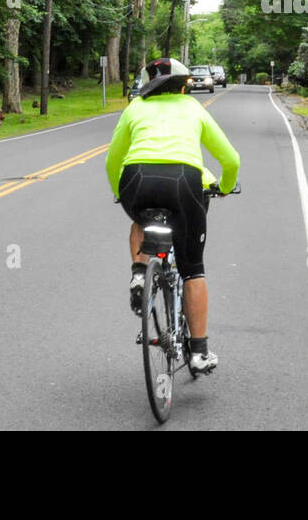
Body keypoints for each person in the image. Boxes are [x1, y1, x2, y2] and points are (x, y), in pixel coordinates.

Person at [107, 57, 239, 375]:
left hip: (136, 181)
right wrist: (225, 187)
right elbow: (231, 159)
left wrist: (120, 193)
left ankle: (140, 272)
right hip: (184, 182)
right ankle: (199, 352)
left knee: (139, 221)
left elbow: (113, 161)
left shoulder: (134, 109)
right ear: (183, 85)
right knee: (192, 269)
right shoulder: (193, 109)